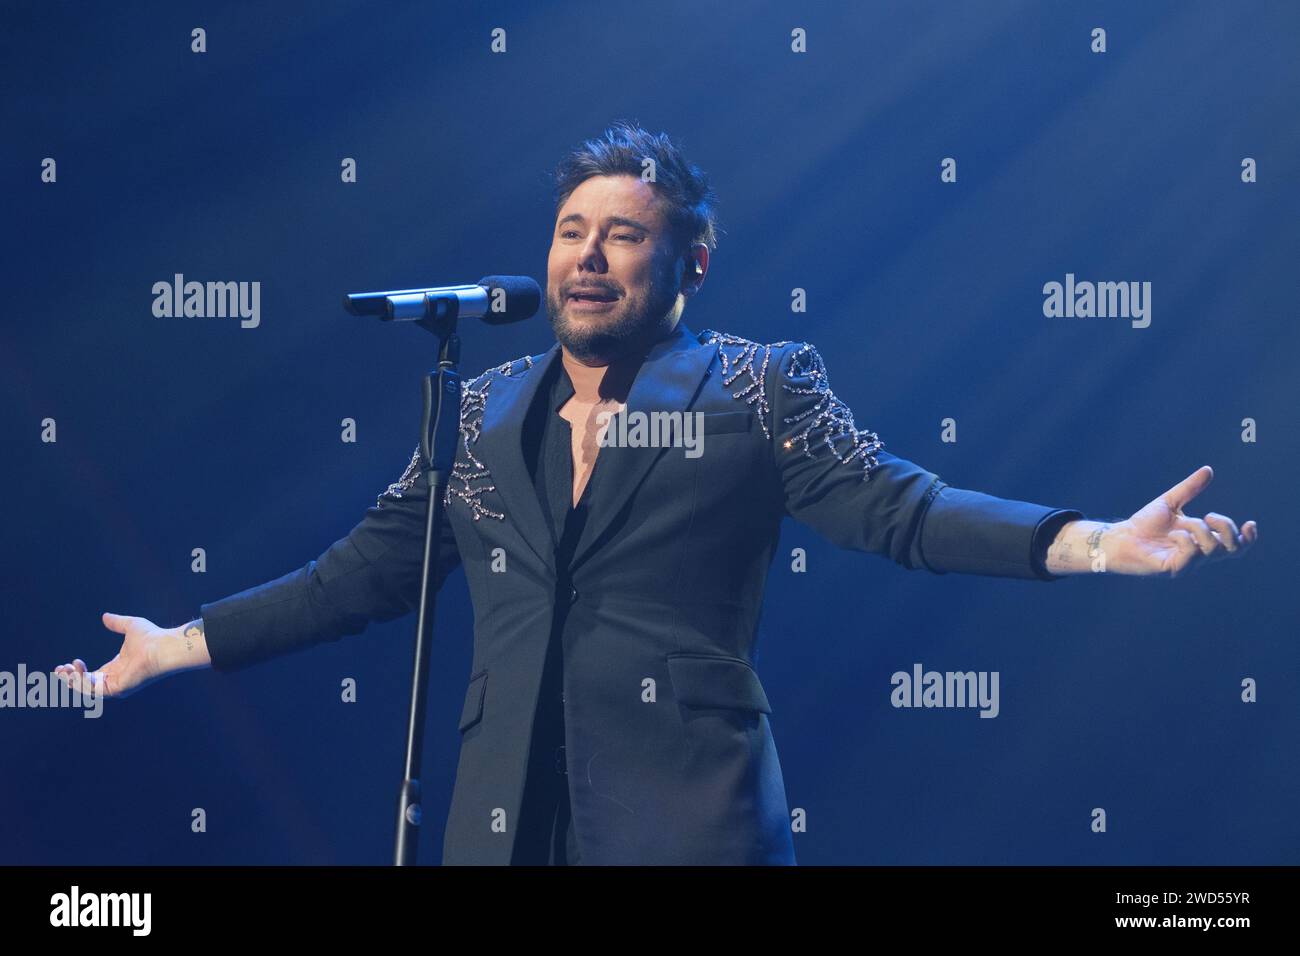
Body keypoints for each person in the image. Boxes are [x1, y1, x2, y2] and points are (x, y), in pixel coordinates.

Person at [56, 121, 1258, 865]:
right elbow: (357, 577)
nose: (585, 254)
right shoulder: (481, 408)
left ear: (687, 261)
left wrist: (1091, 542)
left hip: (687, 819)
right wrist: (179, 646)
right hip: (501, 823)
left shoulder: (756, 385)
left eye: (622, 234)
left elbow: (902, 507)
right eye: (571, 228)